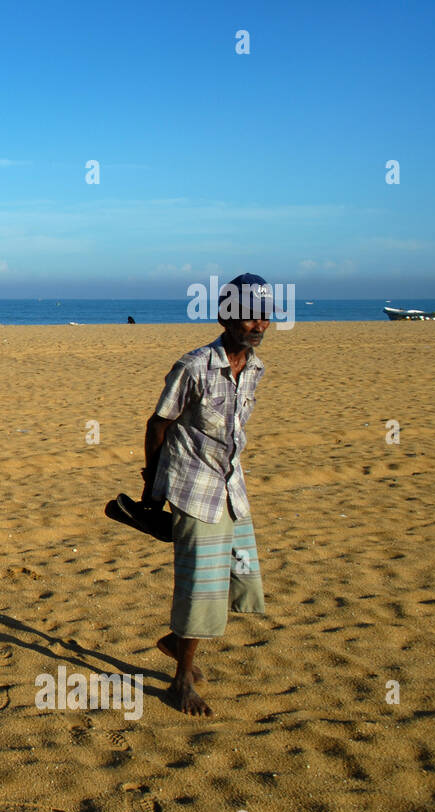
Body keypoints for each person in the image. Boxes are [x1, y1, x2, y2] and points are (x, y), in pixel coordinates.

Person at [140, 273, 271, 716]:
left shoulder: (254, 369)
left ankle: (175, 643)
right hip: (194, 489)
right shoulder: (194, 366)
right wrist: (152, 490)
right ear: (225, 317)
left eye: (264, 316)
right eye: (248, 317)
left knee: (242, 575)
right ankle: (181, 684)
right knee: (202, 589)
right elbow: (159, 424)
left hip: (231, 486)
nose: (258, 325)